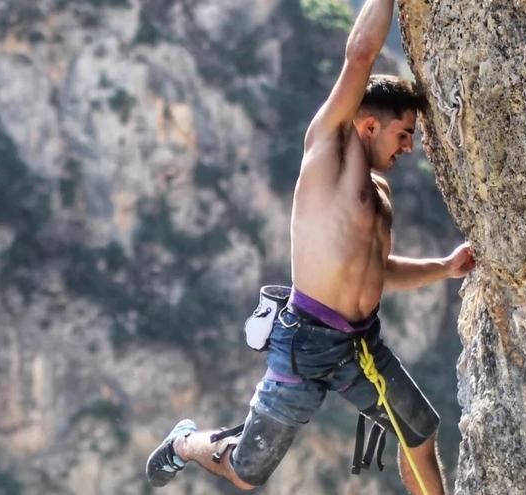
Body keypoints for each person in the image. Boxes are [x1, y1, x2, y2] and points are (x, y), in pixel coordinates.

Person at [145, 1, 475, 493]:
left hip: (361, 343)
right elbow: (360, 56)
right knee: (246, 473)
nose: (409, 147)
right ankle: (187, 442)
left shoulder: (379, 194)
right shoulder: (326, 151)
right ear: (369, 125)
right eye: (404, 134)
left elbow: (378, 270)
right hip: (305, 343)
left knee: (418, 435)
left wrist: (446, 268)